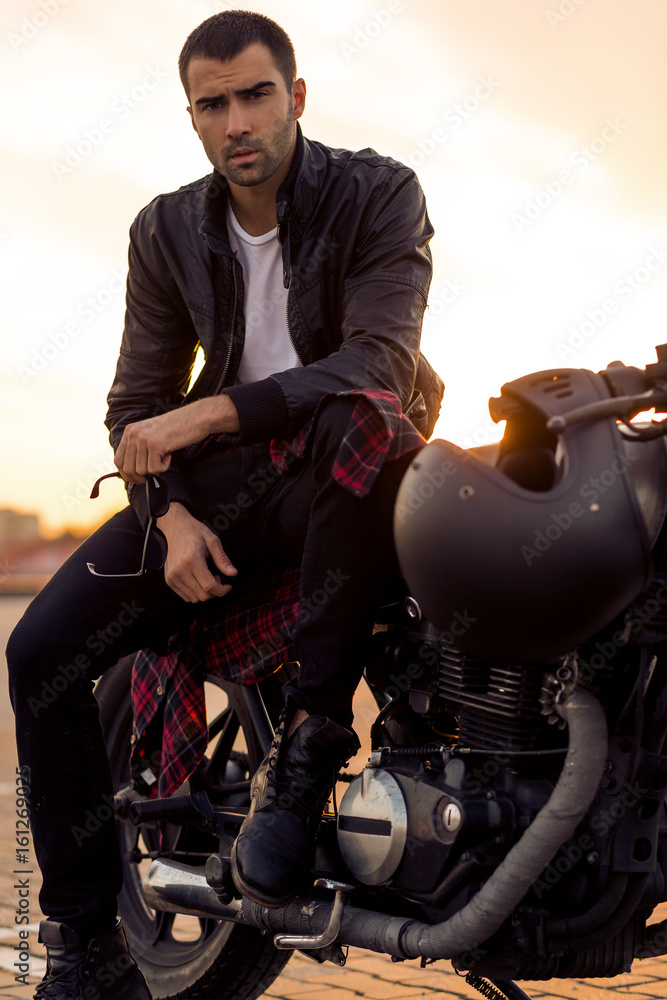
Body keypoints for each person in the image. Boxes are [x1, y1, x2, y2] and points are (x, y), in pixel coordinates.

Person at [6, 9, 442, 997]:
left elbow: (378, 365)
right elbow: (133, 404)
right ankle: (91, 946)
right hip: (209, 500)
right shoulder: (165, 230)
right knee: (38, 656)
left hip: (343, 477)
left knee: (359, 422)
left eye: (256, 95)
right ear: (193, 119)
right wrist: (167, 519)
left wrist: (204, 418)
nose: (238, 119)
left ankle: (310, 745)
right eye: (214, 104)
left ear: (294, 98)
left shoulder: (378, 193)